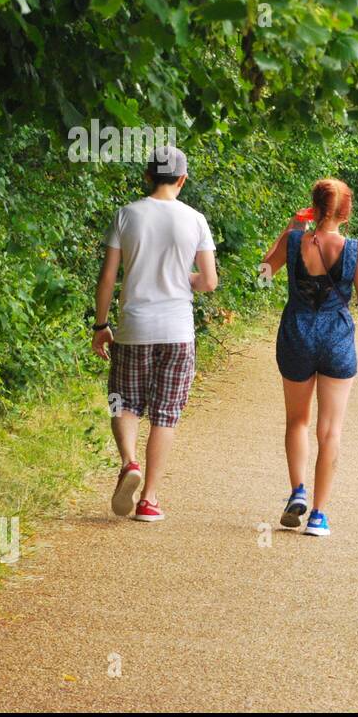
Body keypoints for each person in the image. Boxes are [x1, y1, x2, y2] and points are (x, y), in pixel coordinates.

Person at [93, 146, 218, 523]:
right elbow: (209, 281)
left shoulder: (127, 216)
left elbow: (108, 278)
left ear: (148, 176)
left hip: (133, 328)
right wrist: (183, 278)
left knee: (122, 402)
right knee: (166, 414)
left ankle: (129, 461)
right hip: (178, 331)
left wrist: (101, 327)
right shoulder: (195, 220)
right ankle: (148, 499)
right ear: (182, 179)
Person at [261, 178, 358, 537]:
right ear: (346, 214)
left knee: (297, 421)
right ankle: (318, 515)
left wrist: (290, 229)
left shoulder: (293, 242)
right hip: (336, 338)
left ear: (314, 208)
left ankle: (297, 492)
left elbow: (262, 276)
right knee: (330, 431)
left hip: (296, 335)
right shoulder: (355, 249)